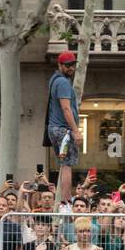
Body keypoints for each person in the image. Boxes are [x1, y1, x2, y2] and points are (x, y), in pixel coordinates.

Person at [45, 51, 81, 204]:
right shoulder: (63, 83)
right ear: (60, 65)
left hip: (56, 128)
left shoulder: (55, 80)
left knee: (64, 164)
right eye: (68, 65)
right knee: (67, 165)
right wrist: (75, 130)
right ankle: (66, 202)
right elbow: (66, 108)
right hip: (63, 130)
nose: (71, 68)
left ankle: (64, 200)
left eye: (73, 64)